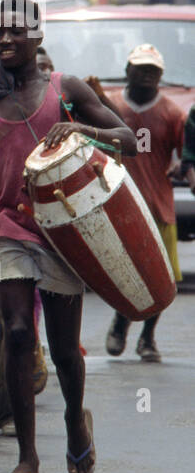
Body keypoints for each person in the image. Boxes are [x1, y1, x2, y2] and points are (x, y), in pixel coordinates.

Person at [0, 0, 135, 473]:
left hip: (64, 232)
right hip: (9, 226)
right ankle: (28, 460)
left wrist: (82, 127)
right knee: (16, 332)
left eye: (16, 32)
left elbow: (128, 139)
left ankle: (75, 419)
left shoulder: (64, 88)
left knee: (65, 349)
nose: (5, 41)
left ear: (38, 36)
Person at [88, 44, 185, 362]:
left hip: (157, 205)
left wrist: (181, 166)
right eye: (140, 68)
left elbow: (187, 153)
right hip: (118, 205)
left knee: (161, 276)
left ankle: (147, 338)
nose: (146, 75)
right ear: (128, 70)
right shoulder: (110, 106)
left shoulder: (173, 113)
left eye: (153, 71)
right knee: (123, 270)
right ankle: (120, 322)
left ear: (161, 76)